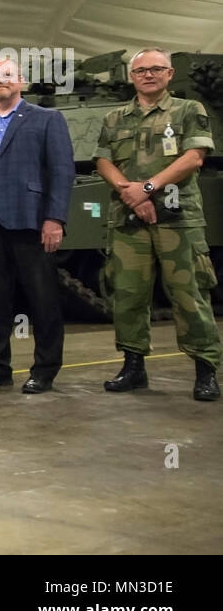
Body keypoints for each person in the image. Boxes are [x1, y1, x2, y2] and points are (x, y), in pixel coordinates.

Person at [94, 47, 220, 401]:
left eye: (156, 69)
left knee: (189, 294)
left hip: (177, 219)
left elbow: (194, 157)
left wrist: (147, 189)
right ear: (132, 77)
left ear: (168, 74)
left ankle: (205, 369)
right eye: (141, 70)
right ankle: (133, 366)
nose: (148, 75)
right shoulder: (115, 117)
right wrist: (130, 193)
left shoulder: (187, 110)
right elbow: (103, 160)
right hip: (128, 218)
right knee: (128, 294)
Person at [0, 61, 74, 392]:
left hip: (31, 223)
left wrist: (55, 218)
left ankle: (45, 369)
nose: (1, 81)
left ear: (20, 81)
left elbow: (62, 172)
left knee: (42, 298)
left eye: (8, 75)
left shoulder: (47, 119)